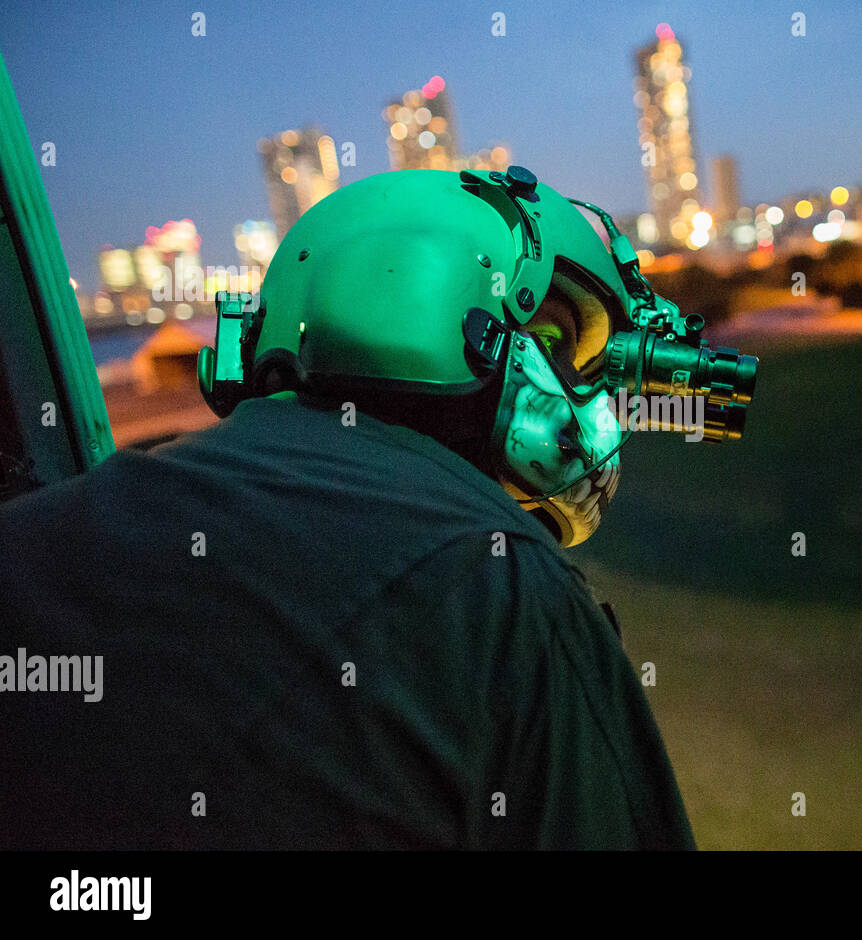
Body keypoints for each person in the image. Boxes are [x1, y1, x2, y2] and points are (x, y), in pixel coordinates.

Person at [0, 167, 696, 849]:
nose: (596, 400)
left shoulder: (41, 531)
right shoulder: (505, 588)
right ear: (447, 311)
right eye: (560, 345)